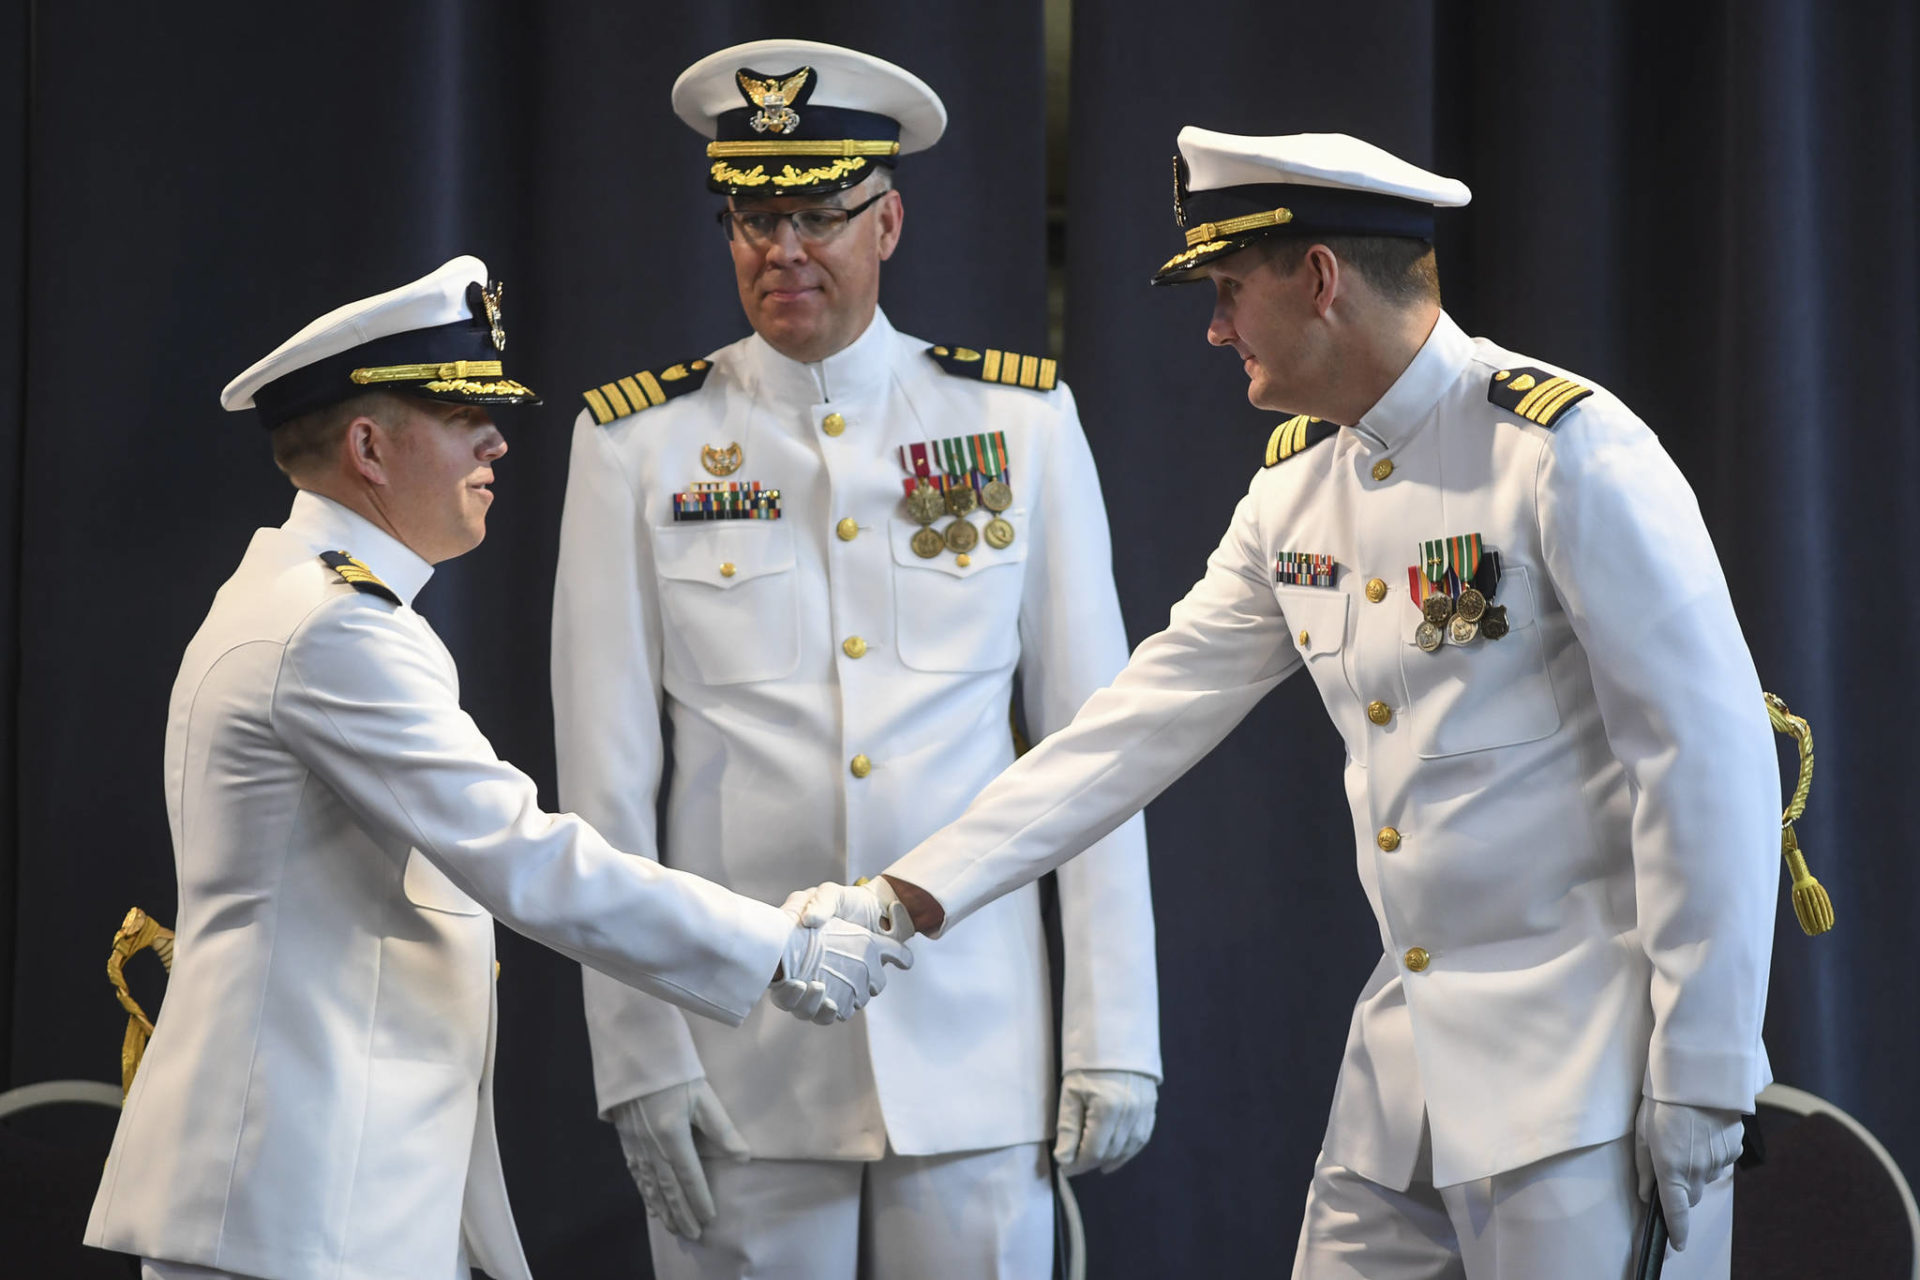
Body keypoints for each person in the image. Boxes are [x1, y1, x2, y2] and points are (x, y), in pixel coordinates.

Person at [810, 129, 1780, 1278]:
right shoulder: (1295, 494)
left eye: (1227, 290)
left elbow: (1708, 763)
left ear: (1319, 281)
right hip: (1402, 1082)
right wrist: (904, 897)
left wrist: (1707, 1070)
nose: (1215, 327)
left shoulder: (1563, 452)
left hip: (1588, 1082)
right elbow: (1132, 726)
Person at [83, 256, 907, 1280]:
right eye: (463, 414)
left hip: (314, 1185)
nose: (498, 440)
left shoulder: (303, 595)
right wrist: (781, 945)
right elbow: (523, 853)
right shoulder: (332, 628)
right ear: (370, 446)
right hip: (294, 1194)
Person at [552, 39, 1161, 1279]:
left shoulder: (1019, 426)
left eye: (818, 213)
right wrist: (641, 1052)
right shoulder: (637, 444)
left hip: (978, 1045)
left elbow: (1097, 754)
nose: (783, 249)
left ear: (888, 220)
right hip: (739, 1052)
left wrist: (1115, 1030)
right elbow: (605, 790)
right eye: (752, 216)